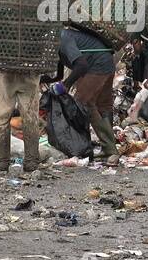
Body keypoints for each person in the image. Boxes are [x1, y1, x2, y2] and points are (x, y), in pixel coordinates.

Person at [45, 27, 119, 166]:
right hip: (106, 60)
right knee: (102, 106)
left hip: (97, 64)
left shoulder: (62, 38)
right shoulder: (58, 44)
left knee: (83, 103)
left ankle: (110, 150)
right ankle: (108, 148)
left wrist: (65, 85)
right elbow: (59, 75)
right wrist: (41, 80)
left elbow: (81, 65)